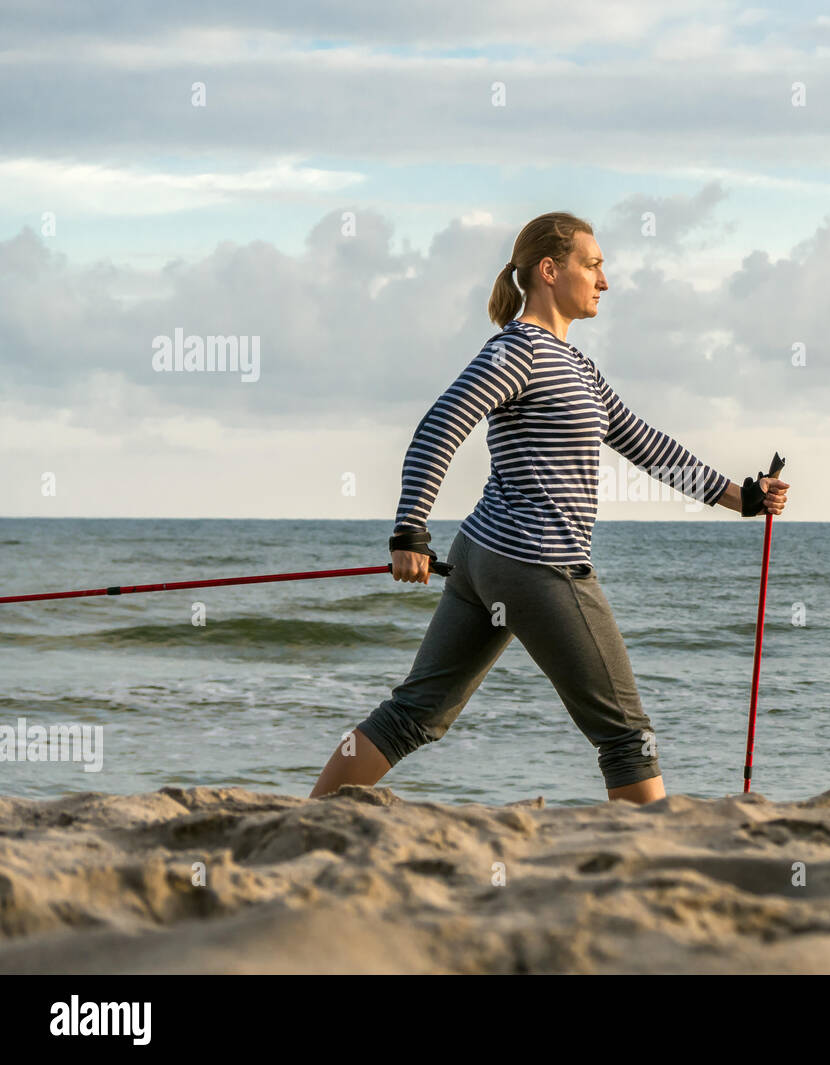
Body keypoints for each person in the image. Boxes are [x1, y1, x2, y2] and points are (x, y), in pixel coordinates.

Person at [310, 211, 789, 805]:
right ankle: (652, 859)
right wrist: (410, 531)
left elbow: (645, 443)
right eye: (592, 266)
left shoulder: (577, 366)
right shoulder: (519, 352)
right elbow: (441, 424)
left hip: (482, 560)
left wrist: (741, 498)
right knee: (625, 733)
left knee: (415, 714)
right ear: (548, 270)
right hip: (539, 562)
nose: (603, 281)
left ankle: (311, 820)